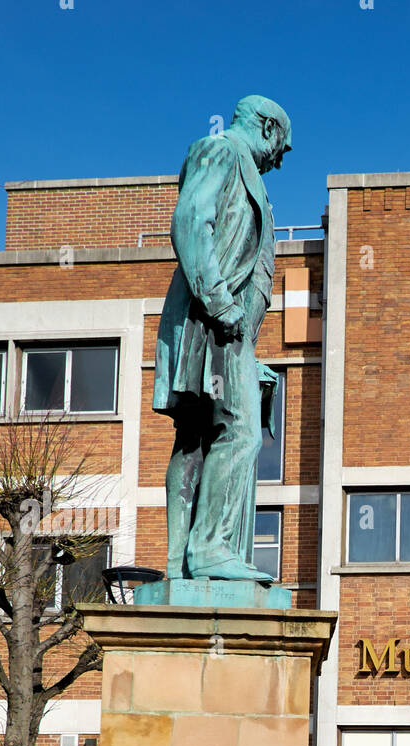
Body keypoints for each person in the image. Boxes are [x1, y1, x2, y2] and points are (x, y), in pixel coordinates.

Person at [153, 95, 292, 581]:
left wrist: (248, 354)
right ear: (269, 128)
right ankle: (209, 548)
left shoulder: (241, 166)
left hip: (224, 331)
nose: (282, 157)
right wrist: (220, 303)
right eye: (284, 145)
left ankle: (178, 564)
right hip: (211, 320)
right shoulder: (221, 150)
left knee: (195, 440)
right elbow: (191, 222)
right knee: (240, 431)